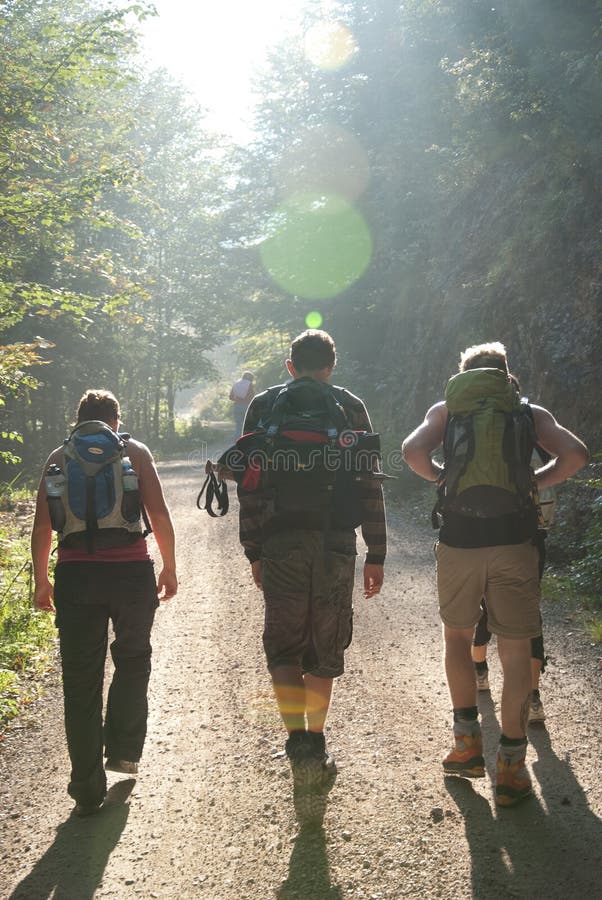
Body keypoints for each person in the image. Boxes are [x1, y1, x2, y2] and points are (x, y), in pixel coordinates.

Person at [402, 342, 589, 807]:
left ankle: (467, 746)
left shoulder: (447, 410)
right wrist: (533, 482)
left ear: (464, 375)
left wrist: (442, 477)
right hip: (515, 540)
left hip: (460, 540)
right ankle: (511, 768)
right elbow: (576, 455)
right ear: (506, 375)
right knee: (516, 650)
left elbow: (411, 451)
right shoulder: (527, 412)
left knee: (457, 639)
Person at [235, 330, 386, 796]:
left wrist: (254, 550)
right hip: (335, 541)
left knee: (284, 645)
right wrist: (376, 552)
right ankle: (316, 747)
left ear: (290, 365)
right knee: (325, 643)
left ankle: (297, 744)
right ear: (331, 366)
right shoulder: (349, 406)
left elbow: (249, 486)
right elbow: (369, 483)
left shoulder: (264, 406)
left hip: (280, 542)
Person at [31, 389, 178, 817]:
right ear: (116, 420)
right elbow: (159, 514)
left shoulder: (58, 457)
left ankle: (86, 787)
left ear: (78, 419)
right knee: (133, 658)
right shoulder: (134, 452)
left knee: (80, 680)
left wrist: (42, 581)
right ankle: (124, 751)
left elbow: (42, 527)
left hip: (76, 577)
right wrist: (169, 566)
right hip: (131, 574)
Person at [473, 388, 556, 724]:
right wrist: (533, 482)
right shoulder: (528, 421)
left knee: (483, 608)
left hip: (478, 531)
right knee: (528, 613)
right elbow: (570, 456)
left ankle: (480, 672)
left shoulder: (466, 418)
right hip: (530, 533)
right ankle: (533, 698)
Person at [230, 370, 255, 440]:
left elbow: (231, 397)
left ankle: (237, 439)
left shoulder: (236, 383)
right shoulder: (249, 384)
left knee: (239, 424)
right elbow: (252, 396)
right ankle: (246, 439)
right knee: (248, 423)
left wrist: (238, 399)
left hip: (237, 406)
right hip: (247, 406)